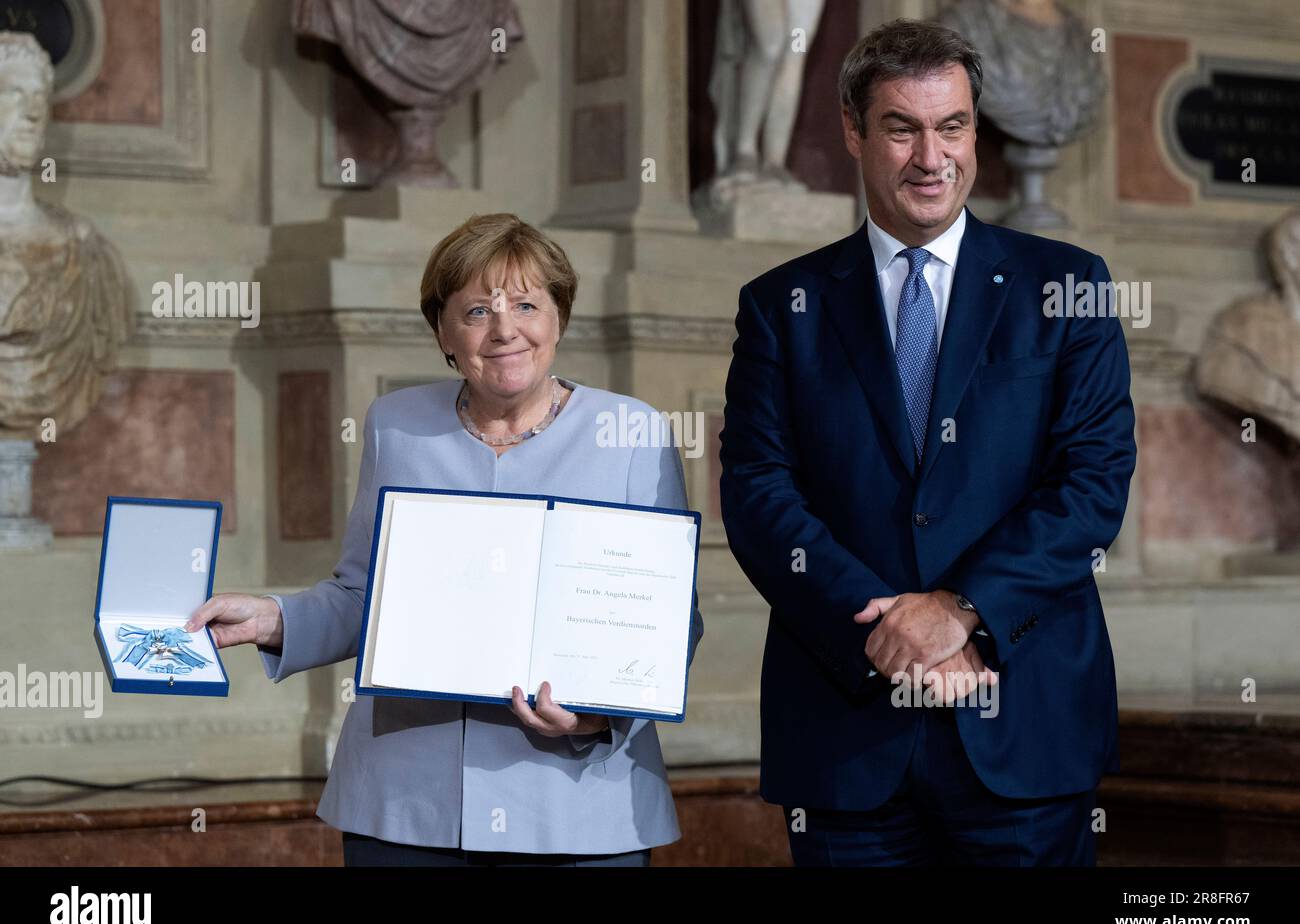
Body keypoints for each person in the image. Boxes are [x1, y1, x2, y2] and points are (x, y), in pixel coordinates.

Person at [718, 18, 1136, 866]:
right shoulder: (779, 305)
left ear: (975, 129)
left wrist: (957, 613)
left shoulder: (1068, 285)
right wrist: (885, 633)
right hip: (847, 733)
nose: (930, 157)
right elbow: (760, 493)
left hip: (1020, 724)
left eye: (952, 127)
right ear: (852, 131)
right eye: (902, 128)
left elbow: (1091, 482)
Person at [187, 213, 704, 866]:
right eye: (478, 310)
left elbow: (666, 620)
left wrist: (597, 719)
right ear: (444, 332)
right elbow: (361, 596)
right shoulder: (396, 425)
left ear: (559, 318)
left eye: (525, 304)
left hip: (575, 804)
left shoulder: (633, 432)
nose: (505, 329)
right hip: (406, 803)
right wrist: (273, 617)